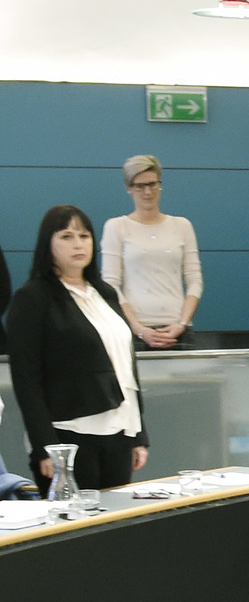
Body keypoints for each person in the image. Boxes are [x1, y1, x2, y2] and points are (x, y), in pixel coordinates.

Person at [6, 205, 151, 490]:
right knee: (77, 529)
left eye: (84, 236)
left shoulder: (105, 293)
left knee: (116, 526)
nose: (78, 244)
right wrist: (43, 445)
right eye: (66, 236)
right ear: (47, 243)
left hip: (120, 431)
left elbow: (125, 368)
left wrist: (139, 435)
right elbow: (26, 380)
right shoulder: (32, 298)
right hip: (67, 437)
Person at [101, 155, 203, 349]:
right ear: (129, 189)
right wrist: (138, 328)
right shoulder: (116, 227)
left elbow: (195, 280)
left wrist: (181, 324)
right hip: (135, 332)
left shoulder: (182, 226)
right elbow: (110, 284)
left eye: (152, 184)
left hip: (179, 331)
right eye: (139, 186)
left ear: (159, 185)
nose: (147, 192)